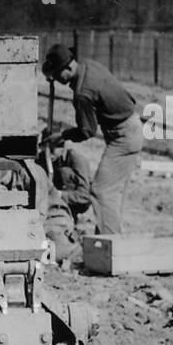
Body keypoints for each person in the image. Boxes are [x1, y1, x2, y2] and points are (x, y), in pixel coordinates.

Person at [42, 44, 142, 235]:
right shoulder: (88, 65)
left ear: (68, 68)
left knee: (100, 192)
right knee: (113, 193)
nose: (56, 78)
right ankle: (109, 241)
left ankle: (111, 246)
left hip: (124, 137)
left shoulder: (82, 93)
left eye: (57, 73)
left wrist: (62, 135)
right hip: (130, 127)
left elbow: (87, 131)